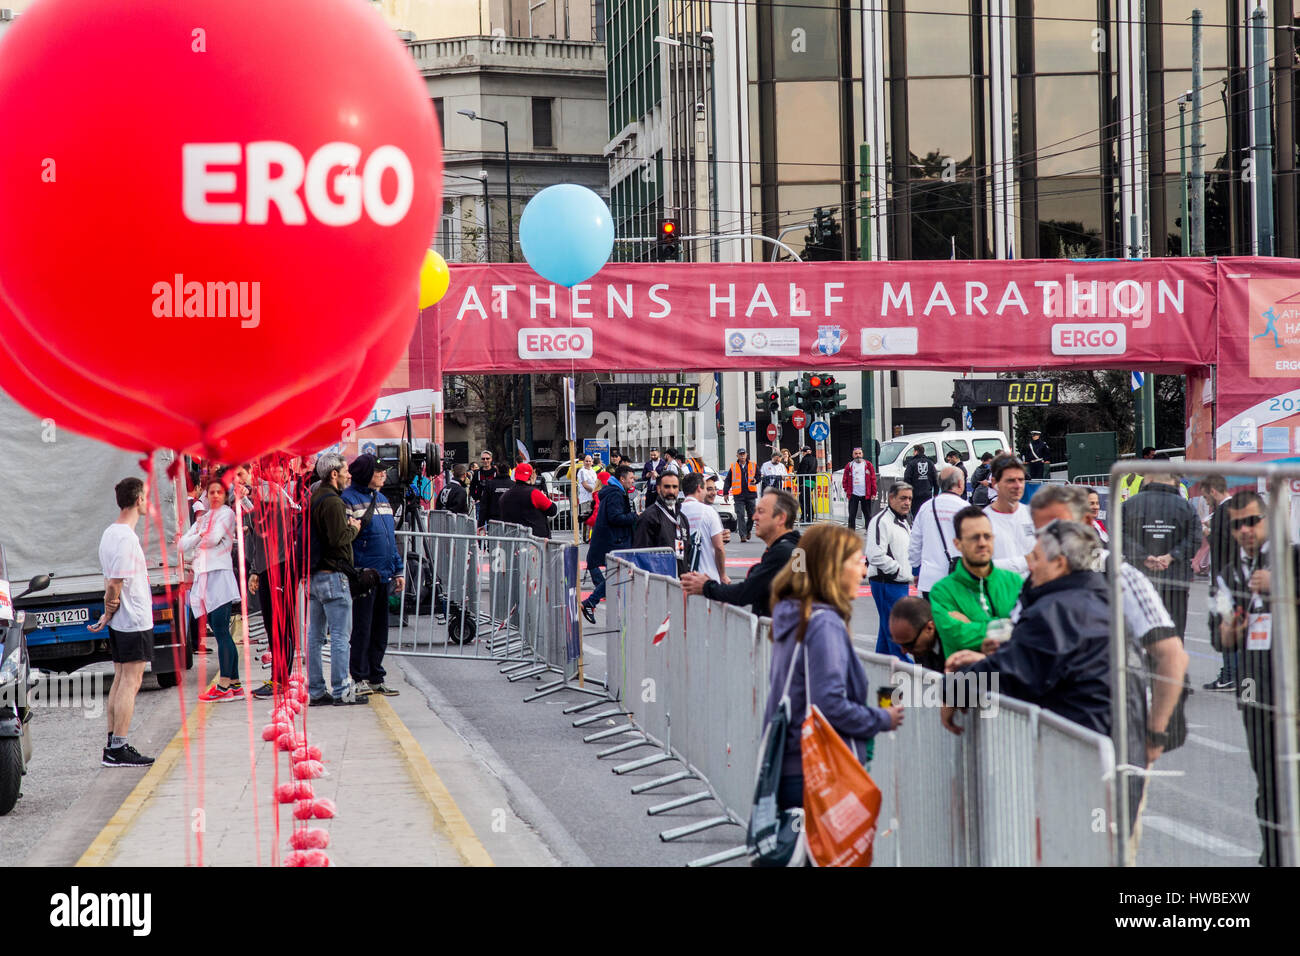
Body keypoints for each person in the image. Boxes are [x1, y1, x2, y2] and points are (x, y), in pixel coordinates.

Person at [941, 521, 1149, 813]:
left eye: (1036, 559)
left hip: (1083, 765)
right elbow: (1040, 661)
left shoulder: (1057, 610)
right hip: (1119, 757)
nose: (1030, 568)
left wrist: (955, 688)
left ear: (1060, 564)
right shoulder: (1100, 603)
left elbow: (1012, 674)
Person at [1024, 485, 1188, 774]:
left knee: (1109, 816)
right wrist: (963, 683)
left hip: (1113, 746)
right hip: (1049, 745)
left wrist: (1156, 734)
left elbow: (1172, 656)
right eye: (1040, 532)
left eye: (1056, 528)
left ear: (1086, 523)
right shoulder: (1033, 584)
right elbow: (1011, 665)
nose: (1046, 541)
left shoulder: (1121, 576)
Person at [761, 523, 904, 813]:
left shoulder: (795, 613)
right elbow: (829, 705)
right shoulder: (823, 623)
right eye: (856, 562)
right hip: (817, 769)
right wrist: (881, 717)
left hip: (792, 764)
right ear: (832, 567)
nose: (864, 572)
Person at [1216, 489, 1299, 866]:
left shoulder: (1292, 559)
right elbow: (1222, 639)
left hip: (1292, 686)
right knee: (1267, 781)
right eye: (1238, 525)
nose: (1246, 530)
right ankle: (1275, 856)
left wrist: (1280, 586)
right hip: (1252, 688)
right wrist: (1231, 628)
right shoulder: (1229, 574)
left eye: (1253, 521)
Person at [89, 477, 157, 767]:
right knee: (131, 681)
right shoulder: (127, 539)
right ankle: (118, 747)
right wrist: (109, 610)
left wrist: (109, 614)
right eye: (146, 496)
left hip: (122, 620)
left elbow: (110, 581)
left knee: (120, 679)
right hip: (134, 620)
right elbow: (114, 584)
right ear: (139, 499)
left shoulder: (109, 533)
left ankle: (112, 743)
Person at [177, 476, 245, 702]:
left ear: (225, 495)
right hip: (204, 577)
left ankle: (225, 684)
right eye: (210, 492)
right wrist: (199, 535)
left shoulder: (227, 513)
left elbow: (214, 539)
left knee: (221, 630)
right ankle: (234, 684)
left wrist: (198, 538)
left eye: (219, 492)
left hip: (220, 577)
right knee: (220, 630)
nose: (214, 496)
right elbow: (181, 544)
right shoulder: (203, 519)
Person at [682, 488, 801, 618]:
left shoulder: (783, 552)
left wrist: (706, 586)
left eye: (761, 512)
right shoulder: (794, 548)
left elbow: (745, 593)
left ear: (781, 518)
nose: (754, 517)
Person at [306, 454, 366, 707]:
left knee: (315, 637)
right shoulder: (332, 502)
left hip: (316, 576)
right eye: (344, 471)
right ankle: (342, 689)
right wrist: (354, 527)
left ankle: (317, 690)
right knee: (341, 636)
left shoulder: (314, 498)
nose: (348, 475)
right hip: (333, 576)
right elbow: (338, 538)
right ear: (333, 474)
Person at [342, 454, 403, 697]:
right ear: (366, 474)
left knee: (380, 629)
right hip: (364, 576)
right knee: (362, 628)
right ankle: (359, 676)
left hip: (385, 575)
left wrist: (398, 570)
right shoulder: (348, 500)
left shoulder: (383, 499)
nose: (383, 474)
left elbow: (390, 540)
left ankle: (376, 675)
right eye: (378, 471)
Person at [927, 506, 1024, 656]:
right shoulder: (942, 592)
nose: (982, 543)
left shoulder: (1014, 582)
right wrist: (1011, 626)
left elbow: (1032, 628)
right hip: (967, 678)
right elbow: (958, 637)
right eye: (974, 537)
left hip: (1011, 676)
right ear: (957, 544)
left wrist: (973, 626)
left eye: (987, 536)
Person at [246, 455, 303, 699]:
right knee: (272, 626)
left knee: (282, 627)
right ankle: (278, 678)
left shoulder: (275, 493)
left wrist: (249, 490)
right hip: (266, 568)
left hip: (282, 566)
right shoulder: (255, 498)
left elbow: (268, 494)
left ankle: (281, 679)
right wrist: (254, 571)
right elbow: (256, 540)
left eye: (279, 469)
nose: (275, 473)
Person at [1122, 471, 1201, 638]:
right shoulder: (1186, 507)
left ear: (1149, 479)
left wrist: (1143, 556)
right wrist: (1172, 556)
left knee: (1139, 636)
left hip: (1139, 580)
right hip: (1175, 581)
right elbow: (1195, 538)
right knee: (1173, 634)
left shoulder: (1129, 505)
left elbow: (1118, 535)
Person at [580, 464, 638, 623]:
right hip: (615, 541)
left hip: (613, 540)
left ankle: (595, 603)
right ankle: (592, 601)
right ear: (622, 478)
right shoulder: (616, 494)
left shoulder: (615, 492)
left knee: (618, 575)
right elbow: (615, 517)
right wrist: (635, 516)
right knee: (619, 575)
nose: (634, 481)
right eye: (631, 478)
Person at [865, 481, 913, 659]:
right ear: (891, 498)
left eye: (909, 498)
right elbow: (875, 554)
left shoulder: (904, 520)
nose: (907, 502)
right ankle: (907, 673)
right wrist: (899, 571)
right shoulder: (881, 521)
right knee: (896, 633)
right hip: (887, 582)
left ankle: (882, 675)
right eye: (903, 498)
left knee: (887, 634)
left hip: (897, 582)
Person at [907, 465, 967, 597]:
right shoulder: (966, 509)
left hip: (929, 580)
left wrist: (916, 571)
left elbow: (915, 543)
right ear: (959, 483)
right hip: (958, 581)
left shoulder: (926, 507)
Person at [1201, 476, 1237, 691]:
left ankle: (1230, 674)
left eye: (1206, 498)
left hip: (1224, 581)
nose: (1206, 502)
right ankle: (1234, 673)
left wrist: (1206, 532)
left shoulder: (1225, 511)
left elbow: (1222, 544)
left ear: (1214, 492)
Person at [982, 456, 1035, 577]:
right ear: (995, 483)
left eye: (1021, 480)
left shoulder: (1033, 515)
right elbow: (979, 567)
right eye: (1010, 480)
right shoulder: (982, 521)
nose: (1018, 486)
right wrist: (1026, 561)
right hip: (999, 594)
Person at [633, 469, 691, 568]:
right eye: (667, 487)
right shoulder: (648, 518)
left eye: (674, 487)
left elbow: (688, 551)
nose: (671, 491)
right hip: (660, 579)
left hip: (681, 579)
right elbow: (641, 555)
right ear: (659, 489)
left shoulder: (682, 518)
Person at [680, 472, 730, 584]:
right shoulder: (708, 512)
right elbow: (719, 548)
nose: (712, 492)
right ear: (699, 488)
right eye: (707, 488)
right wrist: (723, 575)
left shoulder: (676, 512)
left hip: (683, 579)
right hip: (707, 578)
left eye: (714, 489)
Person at [888, 596, 943, 671]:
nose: (903, 651)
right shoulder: (920, 645)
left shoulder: (956, 646)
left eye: (908, 644)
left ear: (930, 628)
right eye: (900, 644)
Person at [723, 448, 759, 542]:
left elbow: (758, 475)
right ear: (737, 456)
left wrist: (756, 480)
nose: (742, 456)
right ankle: (742, 535)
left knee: (752, 515)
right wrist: (725, 492)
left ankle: (748, 530)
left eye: (743, 454)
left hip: (750, 494)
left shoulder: (753, 465)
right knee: (740, 515)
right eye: (740, 454)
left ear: (746, 455)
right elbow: (728, 480)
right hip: (738, 495)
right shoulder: (733, 466)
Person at [843, 446, 878, 531]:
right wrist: (846, 490)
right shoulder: (849, 465)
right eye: (856, 454)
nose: (858, 455)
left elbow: (873, 479)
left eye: (859, 453)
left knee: (868, 515)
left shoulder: (868, 465)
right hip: (853, 494)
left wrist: (873, 492)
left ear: (862, 454)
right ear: (853, 455)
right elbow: (845, 479)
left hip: (866, 494)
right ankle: (851, 533)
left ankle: (869, 531)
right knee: (852, 515)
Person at [477, 462, 514, 529]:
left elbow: (484, 505)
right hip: (511, 522)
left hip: (494, 521)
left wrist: (480, 525)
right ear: (509, 471)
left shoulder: (490, 485)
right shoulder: (513, 485)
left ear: (497, 471)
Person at [902, 445, 935, 517]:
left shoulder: (911, 463)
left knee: (916, 515)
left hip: (915, 495)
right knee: (927, 514)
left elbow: (907, 479)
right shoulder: (930, 463)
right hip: (927, 494)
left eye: (913, 451)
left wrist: (907, 492)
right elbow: (935, 479)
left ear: (916, 452)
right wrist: (935, 493)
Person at [469, 449, 495, 523]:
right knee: (481, 523)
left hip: (493, 502)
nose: (485, 460)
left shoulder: (495, 472)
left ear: (491, 459)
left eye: (487, 458)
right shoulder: (477, 473)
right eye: (483, 459)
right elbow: (472, 487)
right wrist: (476, 498)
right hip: (481, 502)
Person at [576, 455, 599, 540]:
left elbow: (596, 482)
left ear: (592, 462)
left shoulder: (593, 471)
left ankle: (591, 536)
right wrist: (594, 491)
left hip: (593, 498)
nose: (588, 463)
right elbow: (585, 485)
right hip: (585, 498)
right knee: (585, 517)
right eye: (586, 461)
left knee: (592, 517)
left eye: (589, 461)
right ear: (584, 462)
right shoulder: (582, 471)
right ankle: (585, 537)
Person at [795, 445, 818, 521]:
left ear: (804, 453)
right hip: (812, 481)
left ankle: (807, 516)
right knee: (806, 499)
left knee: (804, 499)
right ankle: (807, 516)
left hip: (805, 482)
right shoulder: (814, 459)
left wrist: (799, 482)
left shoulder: (805, 460)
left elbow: (802, 471)